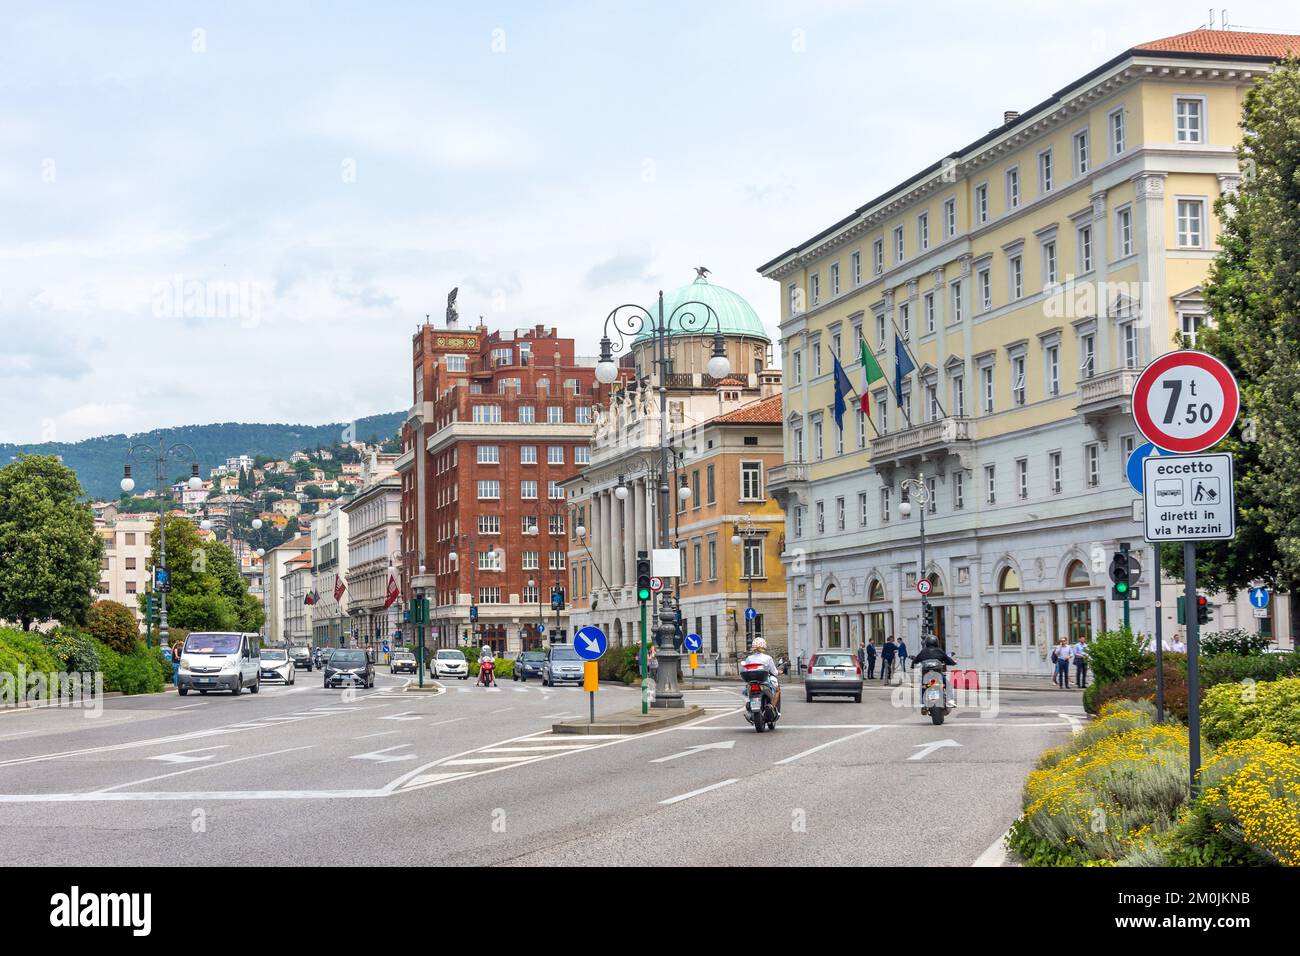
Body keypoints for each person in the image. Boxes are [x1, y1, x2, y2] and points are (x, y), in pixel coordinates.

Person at [911, 636, 958, 706]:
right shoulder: (939, 651)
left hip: (926, 674)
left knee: (923, 686)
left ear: (926, 643)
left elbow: (916, 660)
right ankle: (950, 700)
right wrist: (953, 663)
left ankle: (922, 703)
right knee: (947, 684)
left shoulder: (923, 651)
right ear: (936, 642)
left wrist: (912, 666)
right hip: (937, 674)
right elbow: (947, 659)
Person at [740, 636, 781, 713]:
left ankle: (751, 706)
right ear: (764, 646)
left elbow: (746, 668)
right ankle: (772, 706)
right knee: (777, 690)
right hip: (764, 681)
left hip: (752, 682)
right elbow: (774, 672)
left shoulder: (749, 658)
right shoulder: (768, 658)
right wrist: (779, 672)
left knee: (747, 690)